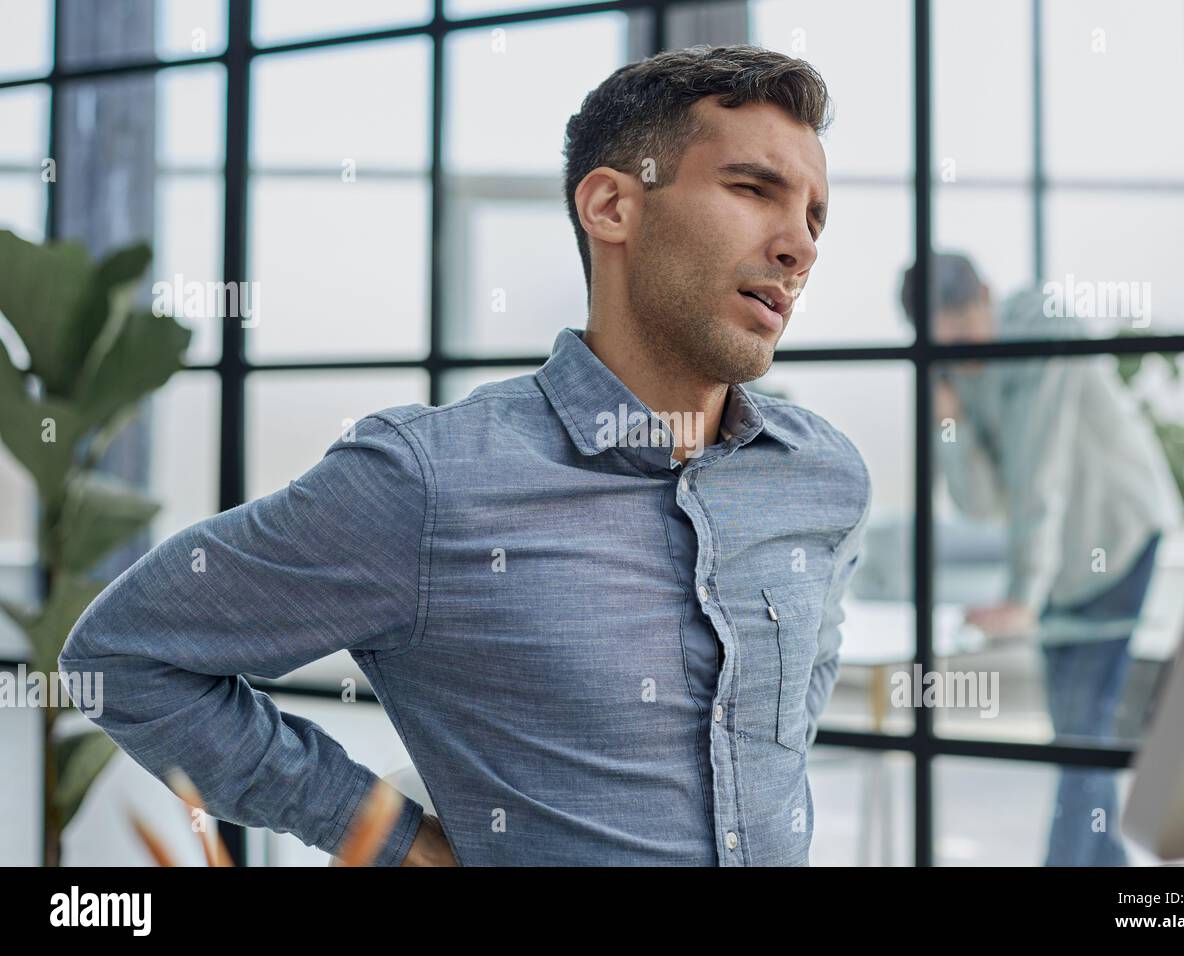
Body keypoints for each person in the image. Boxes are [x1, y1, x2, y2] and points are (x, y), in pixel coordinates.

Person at [59, 45, 870, 867]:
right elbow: (123, 656)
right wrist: (391, 842)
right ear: (611, 207)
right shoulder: (430, 481)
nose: (798, 247)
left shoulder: (823, 477)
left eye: (814, 217)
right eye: (753, 189)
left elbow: (784, 732)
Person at [899, 252, 1183, 866]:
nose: (965, 355)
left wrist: (1023, 598)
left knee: (1081, 732)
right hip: (1060, 560)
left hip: (1118, 536)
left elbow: (1039, 473)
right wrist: (947, 415)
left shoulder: (1041, 328)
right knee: (1080, 732)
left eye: (966, 335)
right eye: (946, 347)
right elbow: (981, 502)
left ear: (986, 296)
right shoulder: (959, 368)